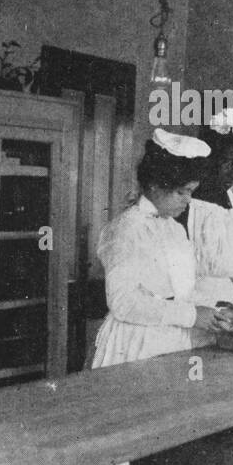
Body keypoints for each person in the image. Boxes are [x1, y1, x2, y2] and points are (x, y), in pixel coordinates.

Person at [91, 129, 222, 368]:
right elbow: (123, 302)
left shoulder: (175, 229)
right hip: (136, 344)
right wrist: (191, 315)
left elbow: (180, 290)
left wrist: (211, 313)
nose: (188, 200)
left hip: (175, 340)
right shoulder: (127, 228)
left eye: (191, 191)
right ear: (154, 185)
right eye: (181, 192)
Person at [180, 109, 233, 347]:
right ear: (210, 158)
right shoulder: (184, 201)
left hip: (230, 317)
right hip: (193, 315)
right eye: (229, 163)